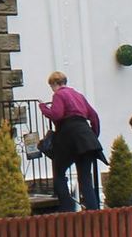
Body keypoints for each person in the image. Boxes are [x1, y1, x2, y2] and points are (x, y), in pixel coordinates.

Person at [40, 72, 103, 212]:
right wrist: (93, 135)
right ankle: (94, 212)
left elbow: (57, 115)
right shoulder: (79, 95)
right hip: (86, 140)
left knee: (59, 173)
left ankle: (67, 209)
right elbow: (94, 117)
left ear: (54, 84)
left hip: (69, 138)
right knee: (85, 178)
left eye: (51, 86)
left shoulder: (59, 95)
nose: (52, 89)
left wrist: (44, 108)